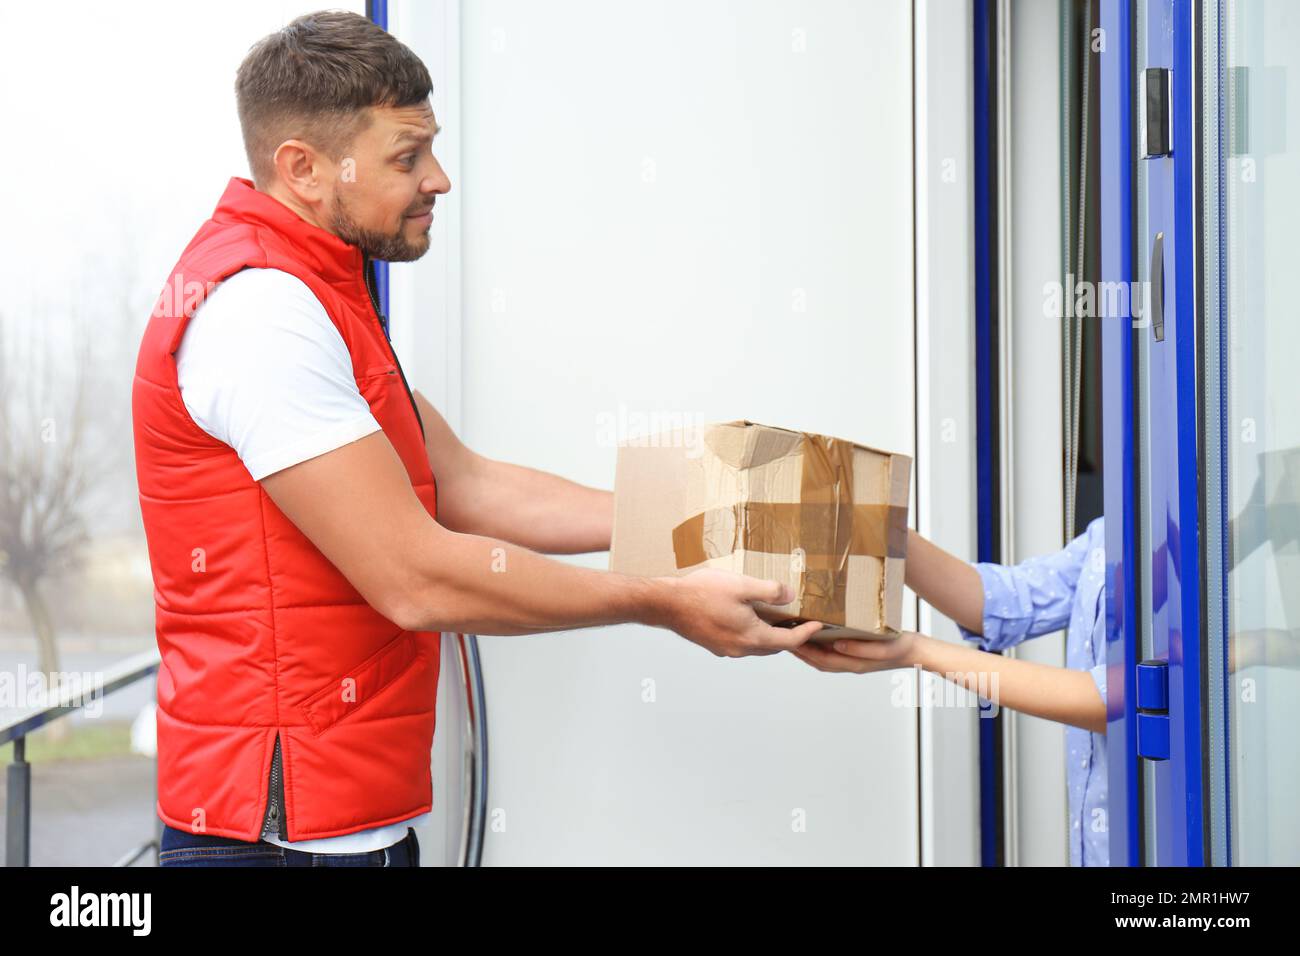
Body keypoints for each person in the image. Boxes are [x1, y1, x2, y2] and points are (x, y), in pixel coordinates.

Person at [135, 11, 823, 868]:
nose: (440, 179)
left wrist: (711, 509)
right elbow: (414, 577)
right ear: (304, 169)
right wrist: (662, 600)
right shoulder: (261, 313)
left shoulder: (322, 294)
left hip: (351, 824)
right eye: (406, 157)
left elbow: (466, 484)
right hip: (278, 840)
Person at [790, 517, 1109, 866]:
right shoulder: (1106, 532)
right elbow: (1006, 602)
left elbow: (1110, 701)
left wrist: (917, 651)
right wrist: (876, 523)